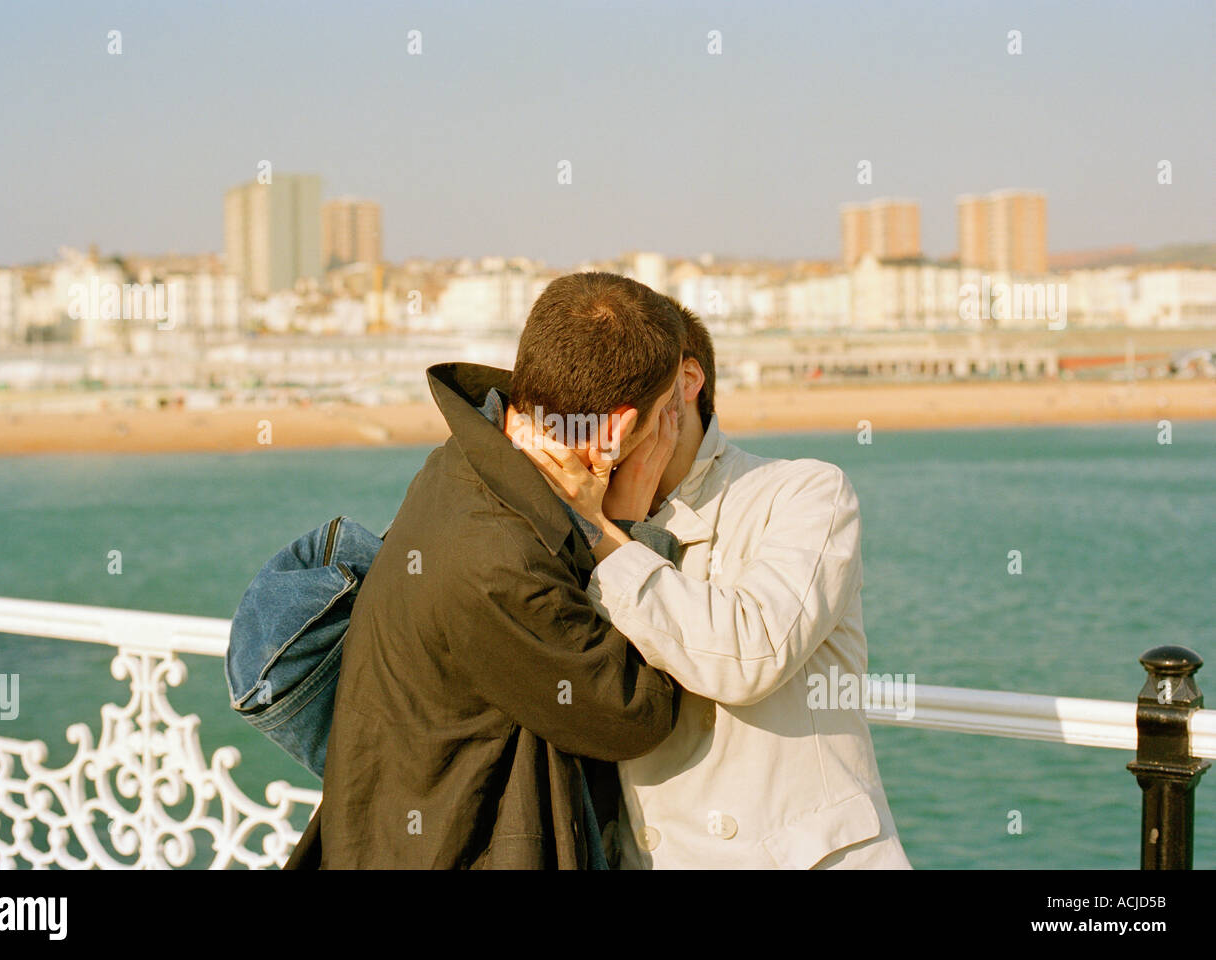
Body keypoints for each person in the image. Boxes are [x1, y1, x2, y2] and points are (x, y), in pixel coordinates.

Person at [285, 272, 684, 869]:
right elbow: (633, 714)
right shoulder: (501, 561)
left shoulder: (465, 459)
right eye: (666, 413)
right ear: (619, 428)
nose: (671, 430)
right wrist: (626, 528)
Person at [518, 298, 913, 869]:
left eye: (619, 395)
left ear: (685, 381)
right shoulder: (566, 520)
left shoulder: (803, 493)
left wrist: (605, 535)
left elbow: (749, 654)